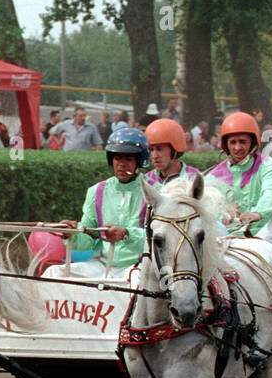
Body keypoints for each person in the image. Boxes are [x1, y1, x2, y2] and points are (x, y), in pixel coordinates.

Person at [205, 111, 272, 251]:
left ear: (253, 142)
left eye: (243, 142)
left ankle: (257, 255)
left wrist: (258, 213)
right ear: (226, 145)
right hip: (227, 238)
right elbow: (204, 205)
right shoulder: (214, 176)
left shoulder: (266, 164)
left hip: (262, 236)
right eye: (233, 142)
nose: (237, 148)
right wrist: (223, 214)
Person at [69, 127, 150, 278]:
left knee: (137, 282)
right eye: (118, 158)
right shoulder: (96, 191)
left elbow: (158, 238)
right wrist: (70, 234)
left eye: (129, 159)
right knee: (53, 272)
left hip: (138, 268)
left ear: (139, 161)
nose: (122, 164)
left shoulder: (154, 192)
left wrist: (126, 234)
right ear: (111, 160)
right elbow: (87, 239)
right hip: (101, 265)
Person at [144, 118, 202, 189]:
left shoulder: (195, 178)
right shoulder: (147, 181)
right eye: (151, 149)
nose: (154, 156)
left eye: (159, 149)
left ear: (175, 150)